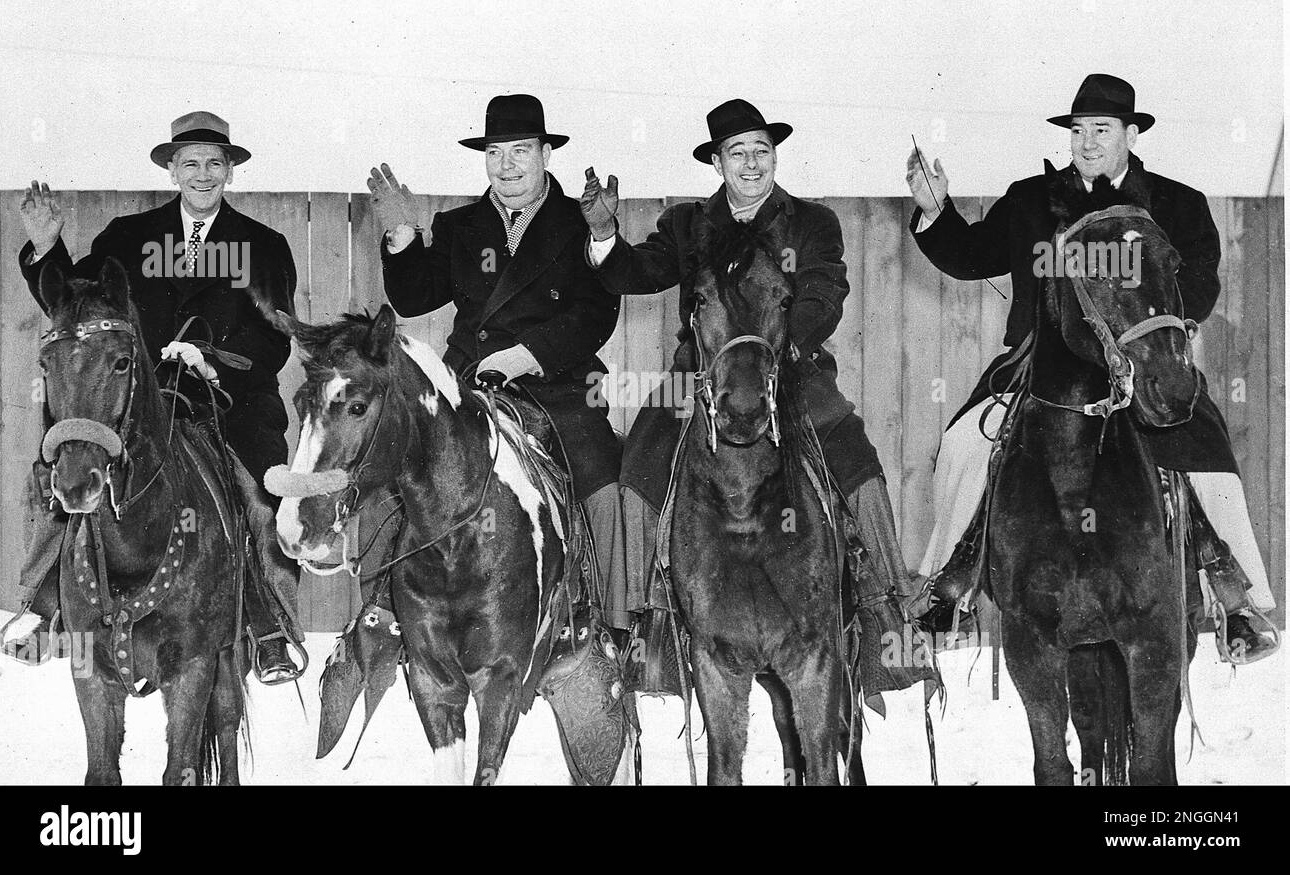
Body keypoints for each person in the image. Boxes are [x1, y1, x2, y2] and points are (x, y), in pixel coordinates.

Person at [907, 73, 1278, 663]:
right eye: (1078, 131)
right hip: (1039, 367)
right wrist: (935, 212)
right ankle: (948, 590)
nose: (1086, 142)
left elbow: (1200, 288)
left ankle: (1236, 598)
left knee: (1206, 447)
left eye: (1101, 130)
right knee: (962, 445)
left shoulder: (1179, 205)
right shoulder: (1031, 201)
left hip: (1144, 359)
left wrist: (1150, 326)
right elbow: (972, 255)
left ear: (1130, 134)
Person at [579, 98, 933, 692]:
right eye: (737, 153)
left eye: (761, 151)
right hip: (698, 377)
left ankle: (891, 610)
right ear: (717, 162)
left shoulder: (812, 223)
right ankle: (643, 627)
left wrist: (781, 352)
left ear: (774, 157)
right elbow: (637, 273)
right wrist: (604, 234)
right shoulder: (687, 225)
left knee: (856, 463)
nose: (751, 163)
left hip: (789, 368)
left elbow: (824, 292)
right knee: (638, 469)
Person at [4, 111, 304, 682]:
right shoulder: (126, 237)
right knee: (62, 470)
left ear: (230, 173)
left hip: (228, 400)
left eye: (215, 164)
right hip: (138, 395)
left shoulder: (263, 245)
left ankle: (268, 626)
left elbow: (272, 334)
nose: (203, 174)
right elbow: (78, 306)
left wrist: (212, 361)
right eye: (190, 163)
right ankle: (45, 605)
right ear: (171, 171)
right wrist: (46, 247)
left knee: (258, 489)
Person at [367, 94, 625, 630]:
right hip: (470, 384)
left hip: (559, 386)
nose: (506, 165)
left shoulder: (581, 224)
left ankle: (611, 621)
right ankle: (384, 614)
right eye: (495, 152)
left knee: (602, 479)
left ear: (547, 154)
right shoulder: (462, 225)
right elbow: (415, 298)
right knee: (403, 471)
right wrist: (401, 239)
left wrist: (526, 356)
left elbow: (596, 313)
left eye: (521, 151)